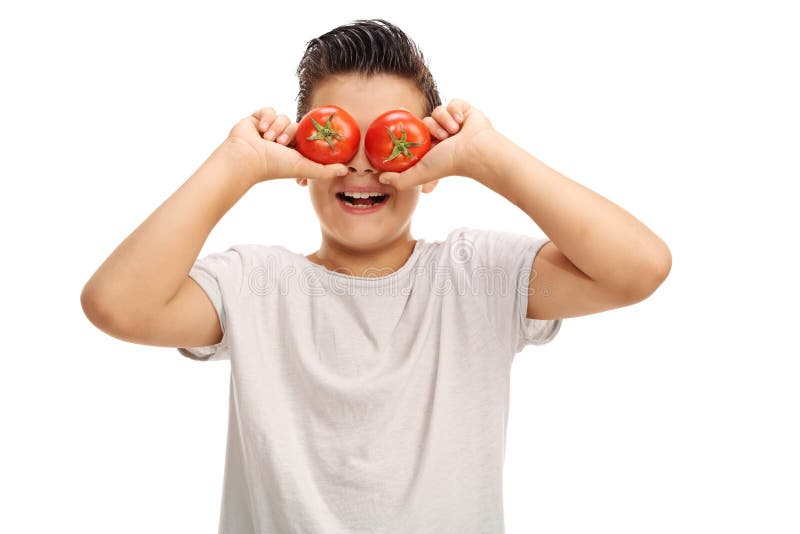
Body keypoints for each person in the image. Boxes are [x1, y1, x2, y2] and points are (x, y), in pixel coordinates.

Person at [80, 18, 671, 534]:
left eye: (393, 141)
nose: (361, 162)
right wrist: (236, 164)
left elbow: (637, 269)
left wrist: (489, 156)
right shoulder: (255, 286)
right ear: (299, 165)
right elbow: (117, 305)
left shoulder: (478, 281)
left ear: (434, 163)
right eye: (335, 136)